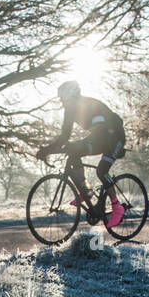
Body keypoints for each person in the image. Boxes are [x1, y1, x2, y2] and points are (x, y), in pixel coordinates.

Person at [36, 82, 126, 227]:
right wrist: (46, 150)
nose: (61, 102)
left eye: (63, 98)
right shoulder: (69, 111)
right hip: (101, 137)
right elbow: (64, 137)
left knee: (102, 171)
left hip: (114, 138)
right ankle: (86, 190)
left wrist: (76, 144)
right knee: (73, 151)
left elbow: (100, 132)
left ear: (72, 96)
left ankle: (117, 207)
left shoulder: (90, 105)